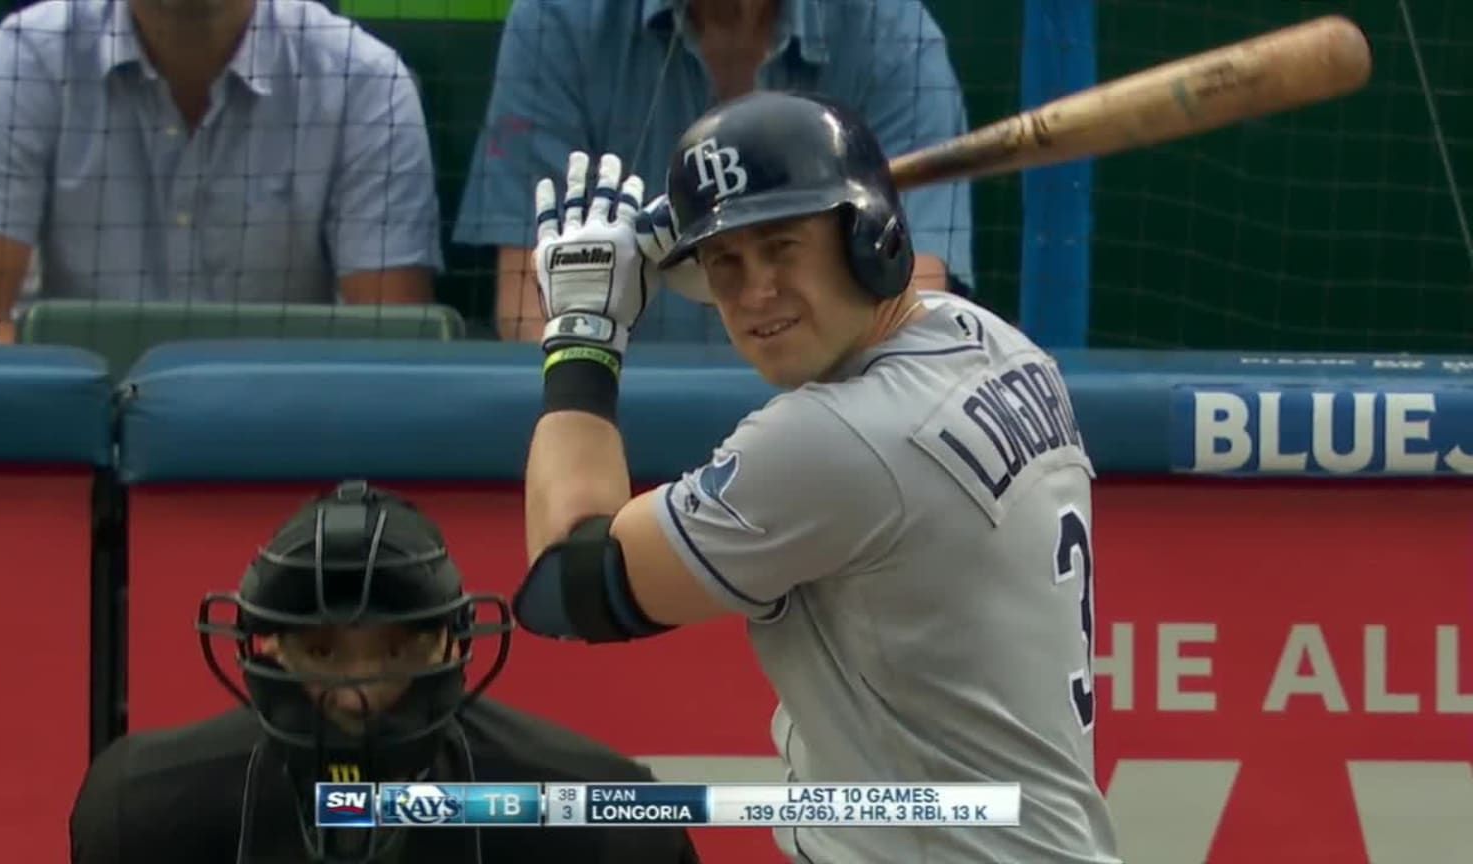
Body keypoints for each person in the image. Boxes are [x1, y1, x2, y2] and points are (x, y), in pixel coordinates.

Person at [511, 91, 1122, 862]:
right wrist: (713, 220)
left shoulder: (838, 440)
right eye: (726, 262)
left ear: (869, 239)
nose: (755, 292)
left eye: (783, 248)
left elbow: (568, 583)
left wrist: (583, 336)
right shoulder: (996, 344)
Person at [69, 481, 700, 864]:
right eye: (323, 653)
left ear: (447, 650)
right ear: (272, 651)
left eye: (396, 651)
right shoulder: (142, 811)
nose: (359, 695)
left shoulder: (598, 820)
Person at [454, 0, 973, 344]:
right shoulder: (556, 19)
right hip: (622, 416)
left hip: (830, 422)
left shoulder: (895, 35)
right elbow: (530, 301)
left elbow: (908, 306)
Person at [0, 0, 442, 344]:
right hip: (70, 435)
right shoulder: (24, 58)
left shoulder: (365, 81)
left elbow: (391, 343)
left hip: (286, 440)